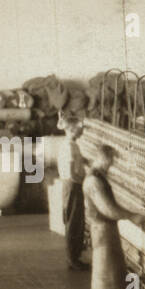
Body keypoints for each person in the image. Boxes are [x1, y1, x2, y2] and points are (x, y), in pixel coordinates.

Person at [82, 145, 145, 289]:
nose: (111, 164)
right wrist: (131, 216)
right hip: (102, 228)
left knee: (110, 268)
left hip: (106, 227)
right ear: (102, 158)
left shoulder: (98, 177)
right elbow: (108, 208)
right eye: (110, 160)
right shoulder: (94, 181)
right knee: (104, 269)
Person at [56, 112, 89, 270]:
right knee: (73, 221)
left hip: (74, 185)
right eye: (79, 128)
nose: (82, 131)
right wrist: (87, 181)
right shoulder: (68, 146)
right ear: (71, 129)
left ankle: (74, 257)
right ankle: (72, 259)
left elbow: (78, 163)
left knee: (77, 219)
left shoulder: (72, 144)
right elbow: (72, 173)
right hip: (72, 185)